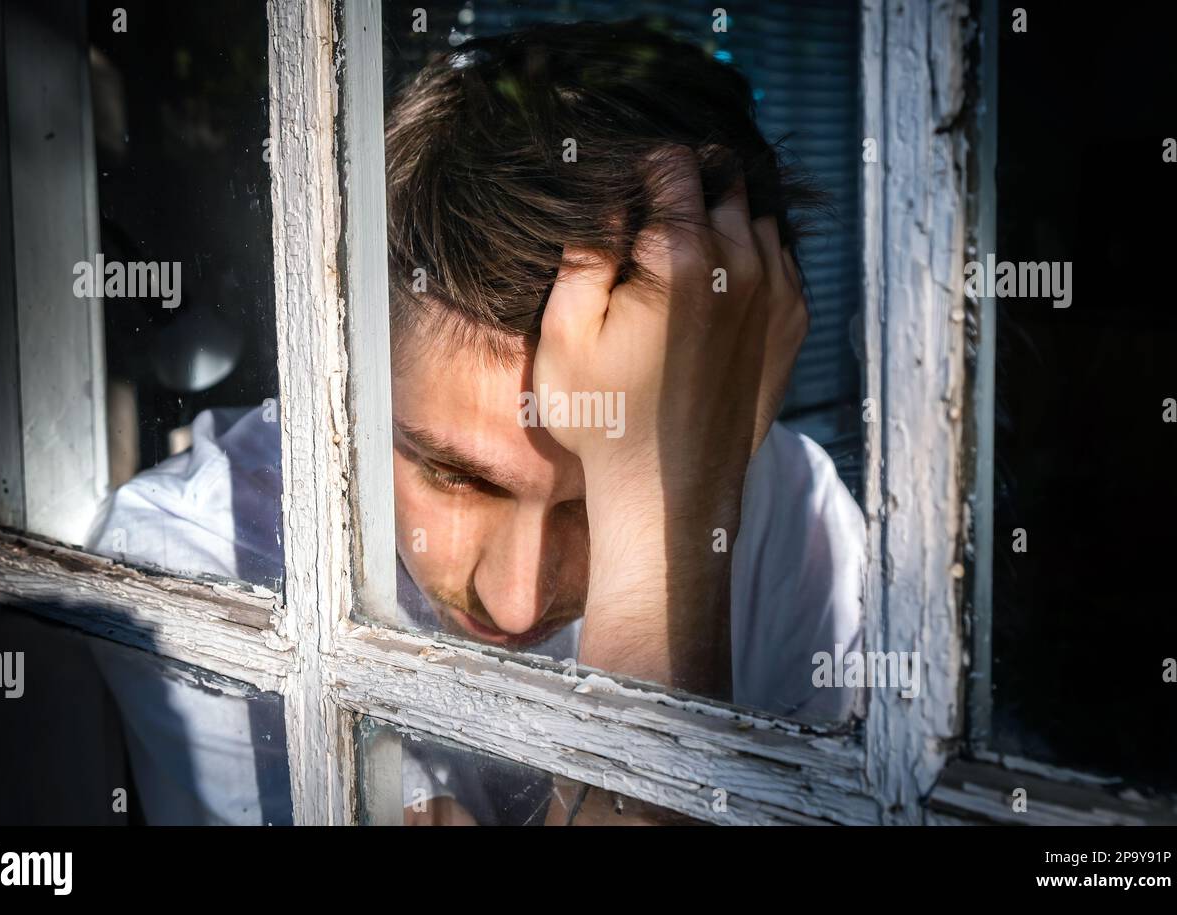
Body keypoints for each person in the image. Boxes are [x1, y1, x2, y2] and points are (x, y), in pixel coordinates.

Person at [87, 20, 865, 825]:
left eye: (594, 502)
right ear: (351, 368)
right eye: (455, 475)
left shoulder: (798, 516)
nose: (516, 603)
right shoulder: (203, 565)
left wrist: (673, 522)